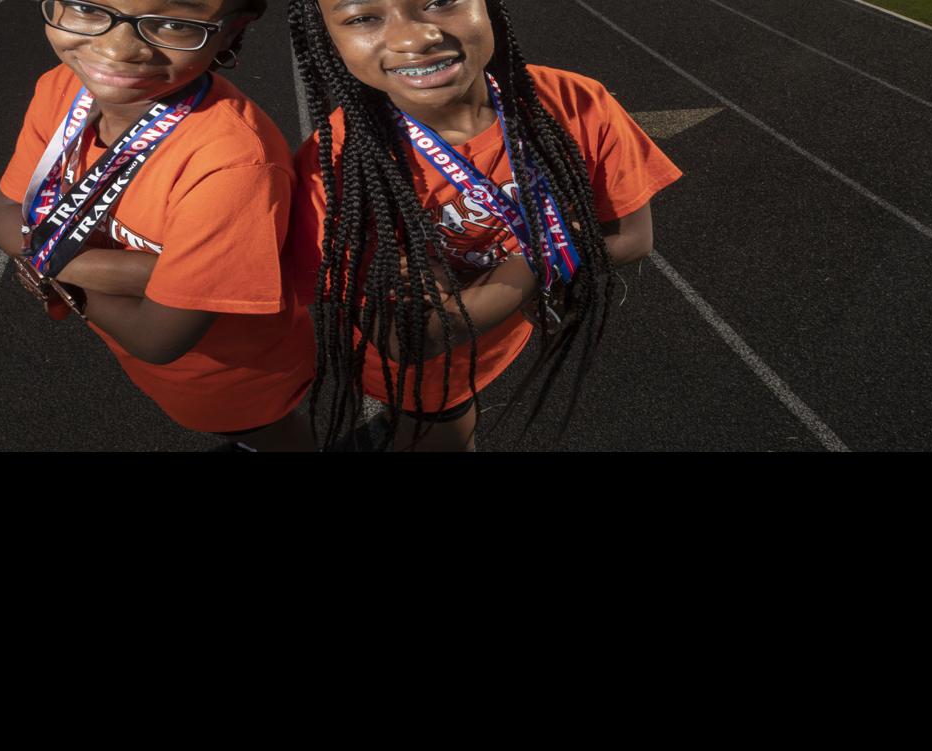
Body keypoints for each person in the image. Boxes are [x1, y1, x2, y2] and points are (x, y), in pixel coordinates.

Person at [285, 0, 682, 451]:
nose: (416, 37)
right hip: (426, 376)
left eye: (440, 0)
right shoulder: (336, 170)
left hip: (500, 333)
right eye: (363, 18)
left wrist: (522, 271)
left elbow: (634, 238)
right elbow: (412, 338)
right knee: (438, 434)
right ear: (328, 40)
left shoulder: (574, 102)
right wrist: (549, 255)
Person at [0, 0, 316, 451]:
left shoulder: (236, 165)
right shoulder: (61, 87)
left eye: (173, 24)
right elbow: (3, 214)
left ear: (231, 31)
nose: (119, 48)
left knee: (266, 433)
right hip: (133, 348)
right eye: (86, 7)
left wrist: (48, 264)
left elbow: (158, 337)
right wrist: (151, 276)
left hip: (231, 375)